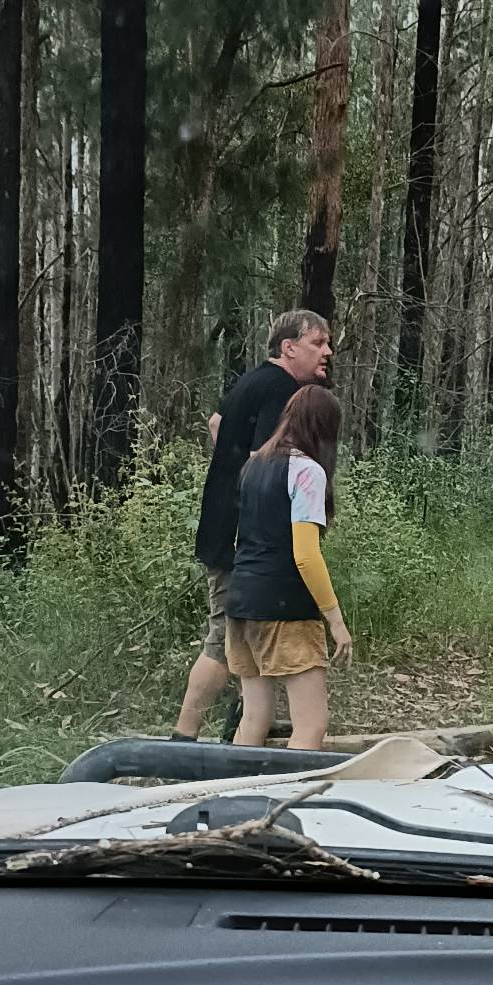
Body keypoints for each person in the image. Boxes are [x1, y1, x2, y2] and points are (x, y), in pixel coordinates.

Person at [174, 310, 333, 739]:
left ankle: (241, 731)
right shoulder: (284, 391)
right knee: (223, 639)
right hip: (242, 541)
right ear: (289, 347)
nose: (327, 352)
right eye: (318, 343)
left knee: (235, 641)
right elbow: (268, 459)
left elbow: (216, 423)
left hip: (222, 526)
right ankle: (183, 738)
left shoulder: (252, 380)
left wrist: (230, 471)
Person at [225, 385, 353, 751]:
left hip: (242, 600)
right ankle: (290, 806)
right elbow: (306, 555)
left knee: (254, 719)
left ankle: (235, 798)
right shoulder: (307, 471)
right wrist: (336, 620)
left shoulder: (254, 464)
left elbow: (241, 539)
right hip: (285, 607)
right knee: (311, 725)